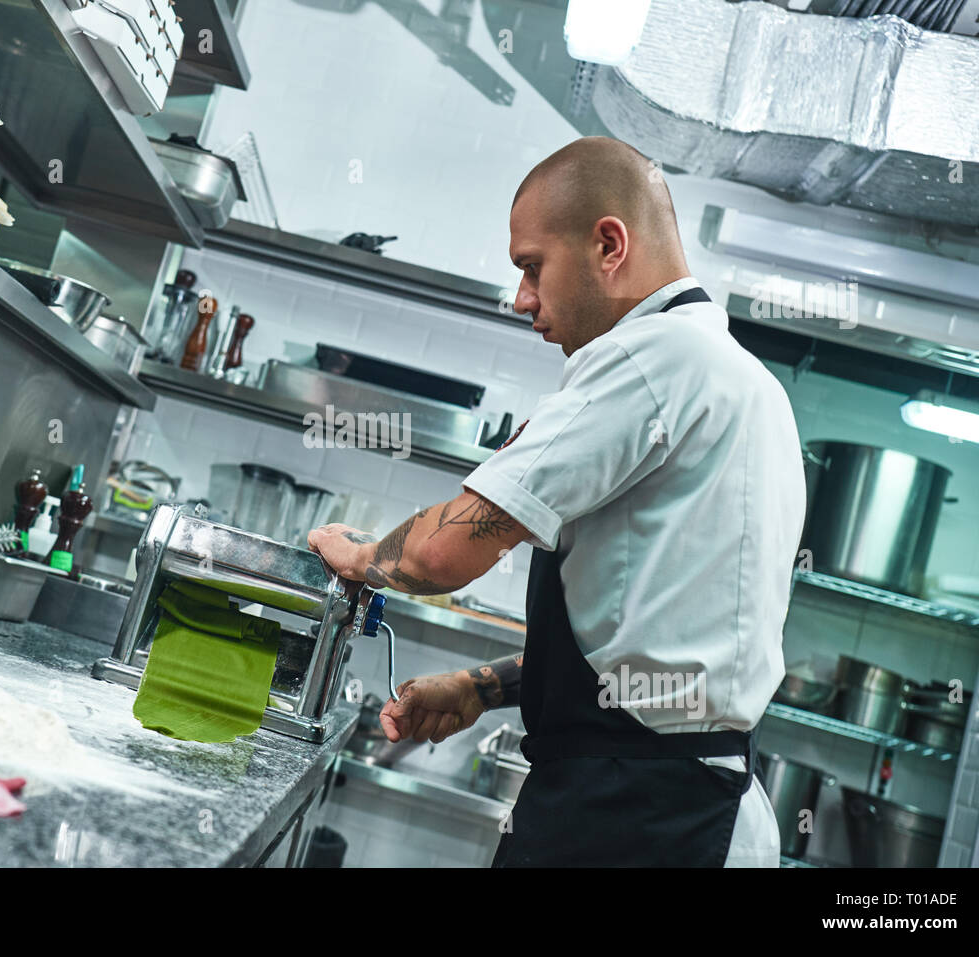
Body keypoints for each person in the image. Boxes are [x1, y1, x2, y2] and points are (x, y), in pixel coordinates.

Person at [308, 136, 806, 867]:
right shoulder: (750, 385)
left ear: (609, 243)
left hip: (632, 822)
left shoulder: (651, 354)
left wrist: (356, 553)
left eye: (532, 267)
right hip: (683, 807)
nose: (523, 300)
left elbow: (444, 552)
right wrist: (483, 686)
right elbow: (649, 647)